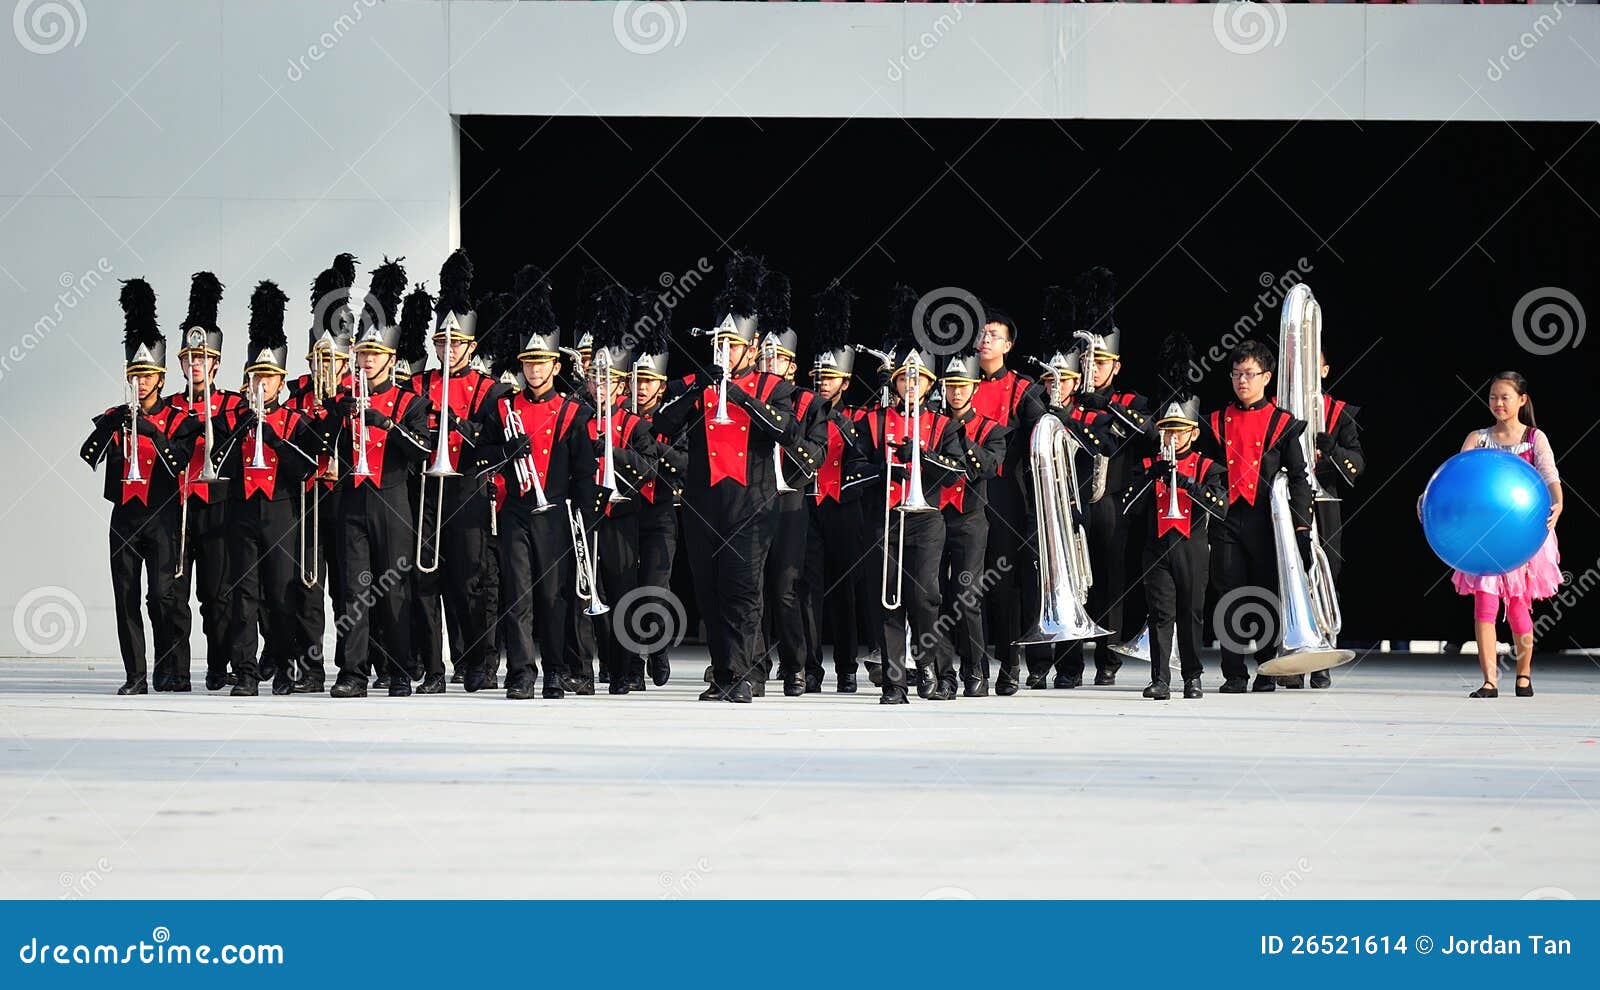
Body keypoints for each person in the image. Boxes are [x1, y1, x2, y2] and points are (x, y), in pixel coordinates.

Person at [653, 252, 799, 703]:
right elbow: (664, 425)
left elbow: (785, 430)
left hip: (752, 503)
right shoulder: (696, 385)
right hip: (702, 503)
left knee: (741, 590)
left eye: (732, 344)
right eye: (719, 341)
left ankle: (742, 673)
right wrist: (702, 387)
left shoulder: (774, 388)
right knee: (708, 590)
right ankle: (722, 673)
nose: (724, 350)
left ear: (751, 350)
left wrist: (737, 394)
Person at [841, 287, 969, 704]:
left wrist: (923, 457)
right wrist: (884, 469)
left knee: (925, 597)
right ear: (895, 383)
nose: (911, 385)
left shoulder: (943, 425)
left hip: (926, 517)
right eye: (904, 379)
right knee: (888, 601)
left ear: (929, 384)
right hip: (886, 517)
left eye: (918, 380)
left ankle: (938, 670)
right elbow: (851, 477)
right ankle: (895, 684)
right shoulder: (872, 422)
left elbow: (957, 472)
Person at [478, 265, 597, 700]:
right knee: (518, 594)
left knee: (554, 596)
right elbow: (480, 456)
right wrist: (504, 455)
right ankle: (521, 673)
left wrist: (585, 520)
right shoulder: (502, 407)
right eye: (528, 362)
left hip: (558, 516)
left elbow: (584, 475)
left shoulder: (573, 413)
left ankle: (556, 671)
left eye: (541, 361)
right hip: (516, 512)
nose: (533, 369)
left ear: (554, 364)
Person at [207, 281, 326, 696]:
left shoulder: (295, 420)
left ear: (280, 382)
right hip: (241, 512)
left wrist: (274, 439)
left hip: (282, 512)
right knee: (243, 594)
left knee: (281, 594)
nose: (262, 384)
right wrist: (240, 426)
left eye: (269, 378)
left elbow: (307, 467)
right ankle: (244, 671)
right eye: (255, 377)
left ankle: (285, 663)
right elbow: (214, 461)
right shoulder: (234, 418)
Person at [81, 279, 197, 694]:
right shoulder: (114, 414)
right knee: (126, 598)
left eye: (148, 375)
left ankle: (175, 671)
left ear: (161, 378)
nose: (141, 382)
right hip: (124, 517)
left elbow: (180, 463)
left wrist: (153, 432)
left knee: (164, 598)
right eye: (135, 374)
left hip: (164, 517)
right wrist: (110, 425)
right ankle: (136, 675)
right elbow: (88, 455)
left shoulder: (179, 420)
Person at [327, 258, 435, 698]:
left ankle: (397, 668)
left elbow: (422, 451)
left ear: (390, 358)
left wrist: (384, 423)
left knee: (393, 589)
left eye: (375, 354)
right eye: (362, 354)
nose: (367, 361)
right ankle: (353, 672)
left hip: (393, 501)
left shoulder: (410, 402)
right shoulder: (343, 399)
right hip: (352, 499)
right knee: (354, 591)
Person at [410, 250, 510, 694]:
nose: (447, 351)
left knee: (471, 582)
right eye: (440, 344)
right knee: (426, 581)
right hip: (426, 492)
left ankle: (478, 661)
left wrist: (463, 428)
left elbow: (497, 445)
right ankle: (434, 667)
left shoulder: (490, 390)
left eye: (456, 344)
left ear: (471, 346)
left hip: (468, 489)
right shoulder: (416, 386)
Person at [1047, 268, 1150, 690]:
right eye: (1089, 360)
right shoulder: (1069, 401)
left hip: (1113, 502)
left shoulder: (1132, 401)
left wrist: (1101, 408)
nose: (1094, 367)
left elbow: (1147, 434)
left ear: (1117, 365)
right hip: (1071, 500)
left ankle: (1108, 660)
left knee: (1110, 582)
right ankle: (1068, 664)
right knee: (1067, 578)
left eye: (1102, 361)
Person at [1202, 340, 1314, 694]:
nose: (1242, 381)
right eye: (1236, 374)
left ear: (1266, 377)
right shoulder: (1216, 420)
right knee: (1228, 590)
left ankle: (1268, 668)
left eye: (1249, 374)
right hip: (1227, 519)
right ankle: (1234, 672)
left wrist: (1301, 527)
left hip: (1267, 522)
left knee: (1267, 592)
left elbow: (1298, 478)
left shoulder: (1282, 423)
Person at [1120, 334, 1227, 701]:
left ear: (1193, 434)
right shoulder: (1147, 466)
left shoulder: (1208, 467)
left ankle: (1193, 676)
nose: (1172, 437)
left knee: (1191, 614)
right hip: (1157, 548)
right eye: (1166, 430)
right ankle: (1160, 678)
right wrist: (1154, 476)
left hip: (1192, 548)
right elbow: (1127, 511)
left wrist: (1184, 483)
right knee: (1159, 614)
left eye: (1179, 432)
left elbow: (1220, 506)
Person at [1444, 372, 1562, 699]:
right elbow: (1456, 473)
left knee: (1519, 607)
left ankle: (1523, 674)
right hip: (1483, 537)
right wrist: (1430, 498)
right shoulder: (1478, 438)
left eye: (1505, 397)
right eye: (1493, 397)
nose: (1498, 403)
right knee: (1485, 604)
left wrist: (1559, 500)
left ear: (1522, 400)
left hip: (1521, 537)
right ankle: (1489, 681)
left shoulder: (1534, 438)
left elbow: (1550, 474)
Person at [752, 270, 829, 697]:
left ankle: (795, 666)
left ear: (791, 365)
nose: (769, 363)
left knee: (784, 589)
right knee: (753, 587)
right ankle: (756, 667)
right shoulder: (746, 396)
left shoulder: (809, 402)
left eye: (778, 357)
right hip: (752, 499)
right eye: (764, 356)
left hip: (790, 500)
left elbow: (814, 454)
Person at [168, 271, 246, 691]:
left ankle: (220, 666)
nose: (194, 365)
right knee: (174, 597)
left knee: (217, 596)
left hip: (218, 509)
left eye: (201, 359)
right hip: (179, 508)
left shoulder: (234, 405)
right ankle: (177, 671)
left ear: (215, 363)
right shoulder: (169, 407)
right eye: (188, 359)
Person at [284, 255, 356, 694]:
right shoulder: (294, 394)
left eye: (333, 357)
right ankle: (310, 669)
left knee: (349, 591)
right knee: (307, 590)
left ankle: (352, 669)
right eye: (318, 357)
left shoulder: (357, 394)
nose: (324, 365)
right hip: (306, 501)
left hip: (347, 498)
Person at [970, 306, 1049, 695]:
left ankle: (1011, 661)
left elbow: (1044, 431)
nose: (985, 340)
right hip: (965, 493)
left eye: (994, 335)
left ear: (1009, 345)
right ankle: (972, 665)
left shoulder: (1022, 388)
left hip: (1006, 494)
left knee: (1005, 583)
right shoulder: (959, 381)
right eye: (982, 334)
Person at [802, 284, 876, 693]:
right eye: (819, 376)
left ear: (845, 381)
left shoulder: (858, 417)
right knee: (807, 590)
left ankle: (847, 666)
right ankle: (811, 667)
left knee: (846, 590)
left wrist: (846, 432)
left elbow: (863, 462)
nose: (823, 383)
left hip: (845, 508)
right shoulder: (800, 410)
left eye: (830, 377)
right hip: (807, 505)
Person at [1281, 349, 1365, 689]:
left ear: (1326, 370)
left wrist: (1332, 451)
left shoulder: (1340, 413)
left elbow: (1357, 464)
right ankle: (1291, 655)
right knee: (1287, 574)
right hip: (1286, 502)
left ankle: (1322, 657)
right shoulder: (1277, 411)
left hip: (1324, 502)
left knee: (1325, 573)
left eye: (1313, 367)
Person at [936, 352, 1009, 696]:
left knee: (966, 597)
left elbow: (989, 469)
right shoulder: (932, 423)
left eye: (962, 386)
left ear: (974, 388)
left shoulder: (992, 430)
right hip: (934, 517)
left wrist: (960, 436)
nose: (956, 393)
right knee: (931, 596)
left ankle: (975, 670)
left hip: (970, 521)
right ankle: (941, 674)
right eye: (951, 386)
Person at [630, 292, 682, 688]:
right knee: (624, 584)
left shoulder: (672, 418)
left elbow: (682, 463)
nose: (641, 388)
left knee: (654, 585)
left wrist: (652, 444)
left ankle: (658, 647)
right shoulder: (618, 416)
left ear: (661, 386)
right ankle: (630, 665)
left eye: (648, 381)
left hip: (660, 509)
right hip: (623, 508)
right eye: (637, 380)